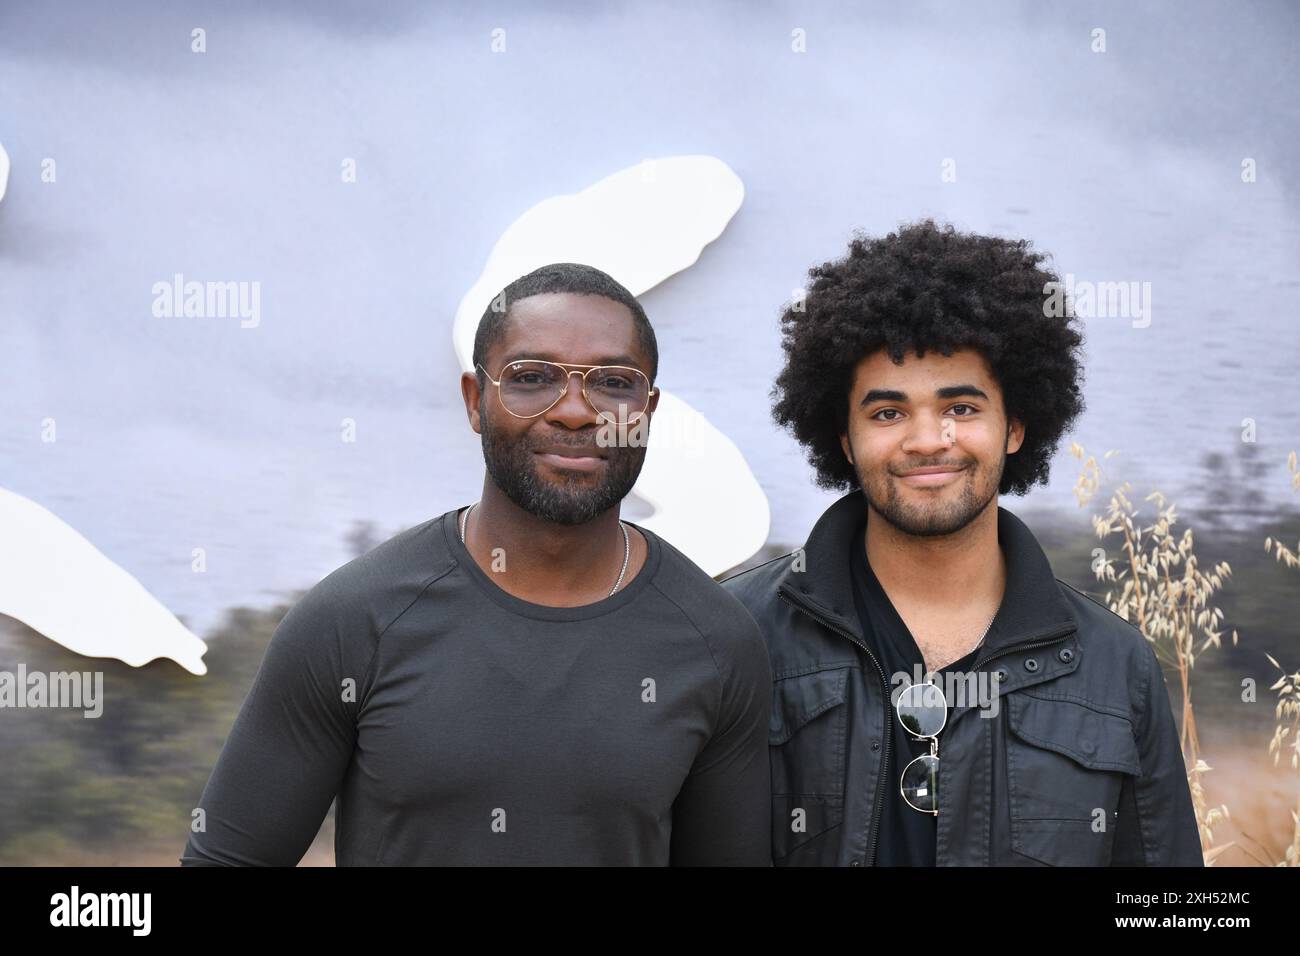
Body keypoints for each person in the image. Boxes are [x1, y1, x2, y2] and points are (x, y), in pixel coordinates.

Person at [181, 263, 771, 866]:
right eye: (531, 378)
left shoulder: (715, 642)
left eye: (613, 383)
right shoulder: (353, 620)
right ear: (474, 400)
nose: (574, 410)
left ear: (646, 410)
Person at [722, 220, 1202, 866]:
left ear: (1016, 426)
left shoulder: (1114, 668)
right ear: (844, 439)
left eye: (962, 409)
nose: (928, 440)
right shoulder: (739, 635)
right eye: (888, 413)